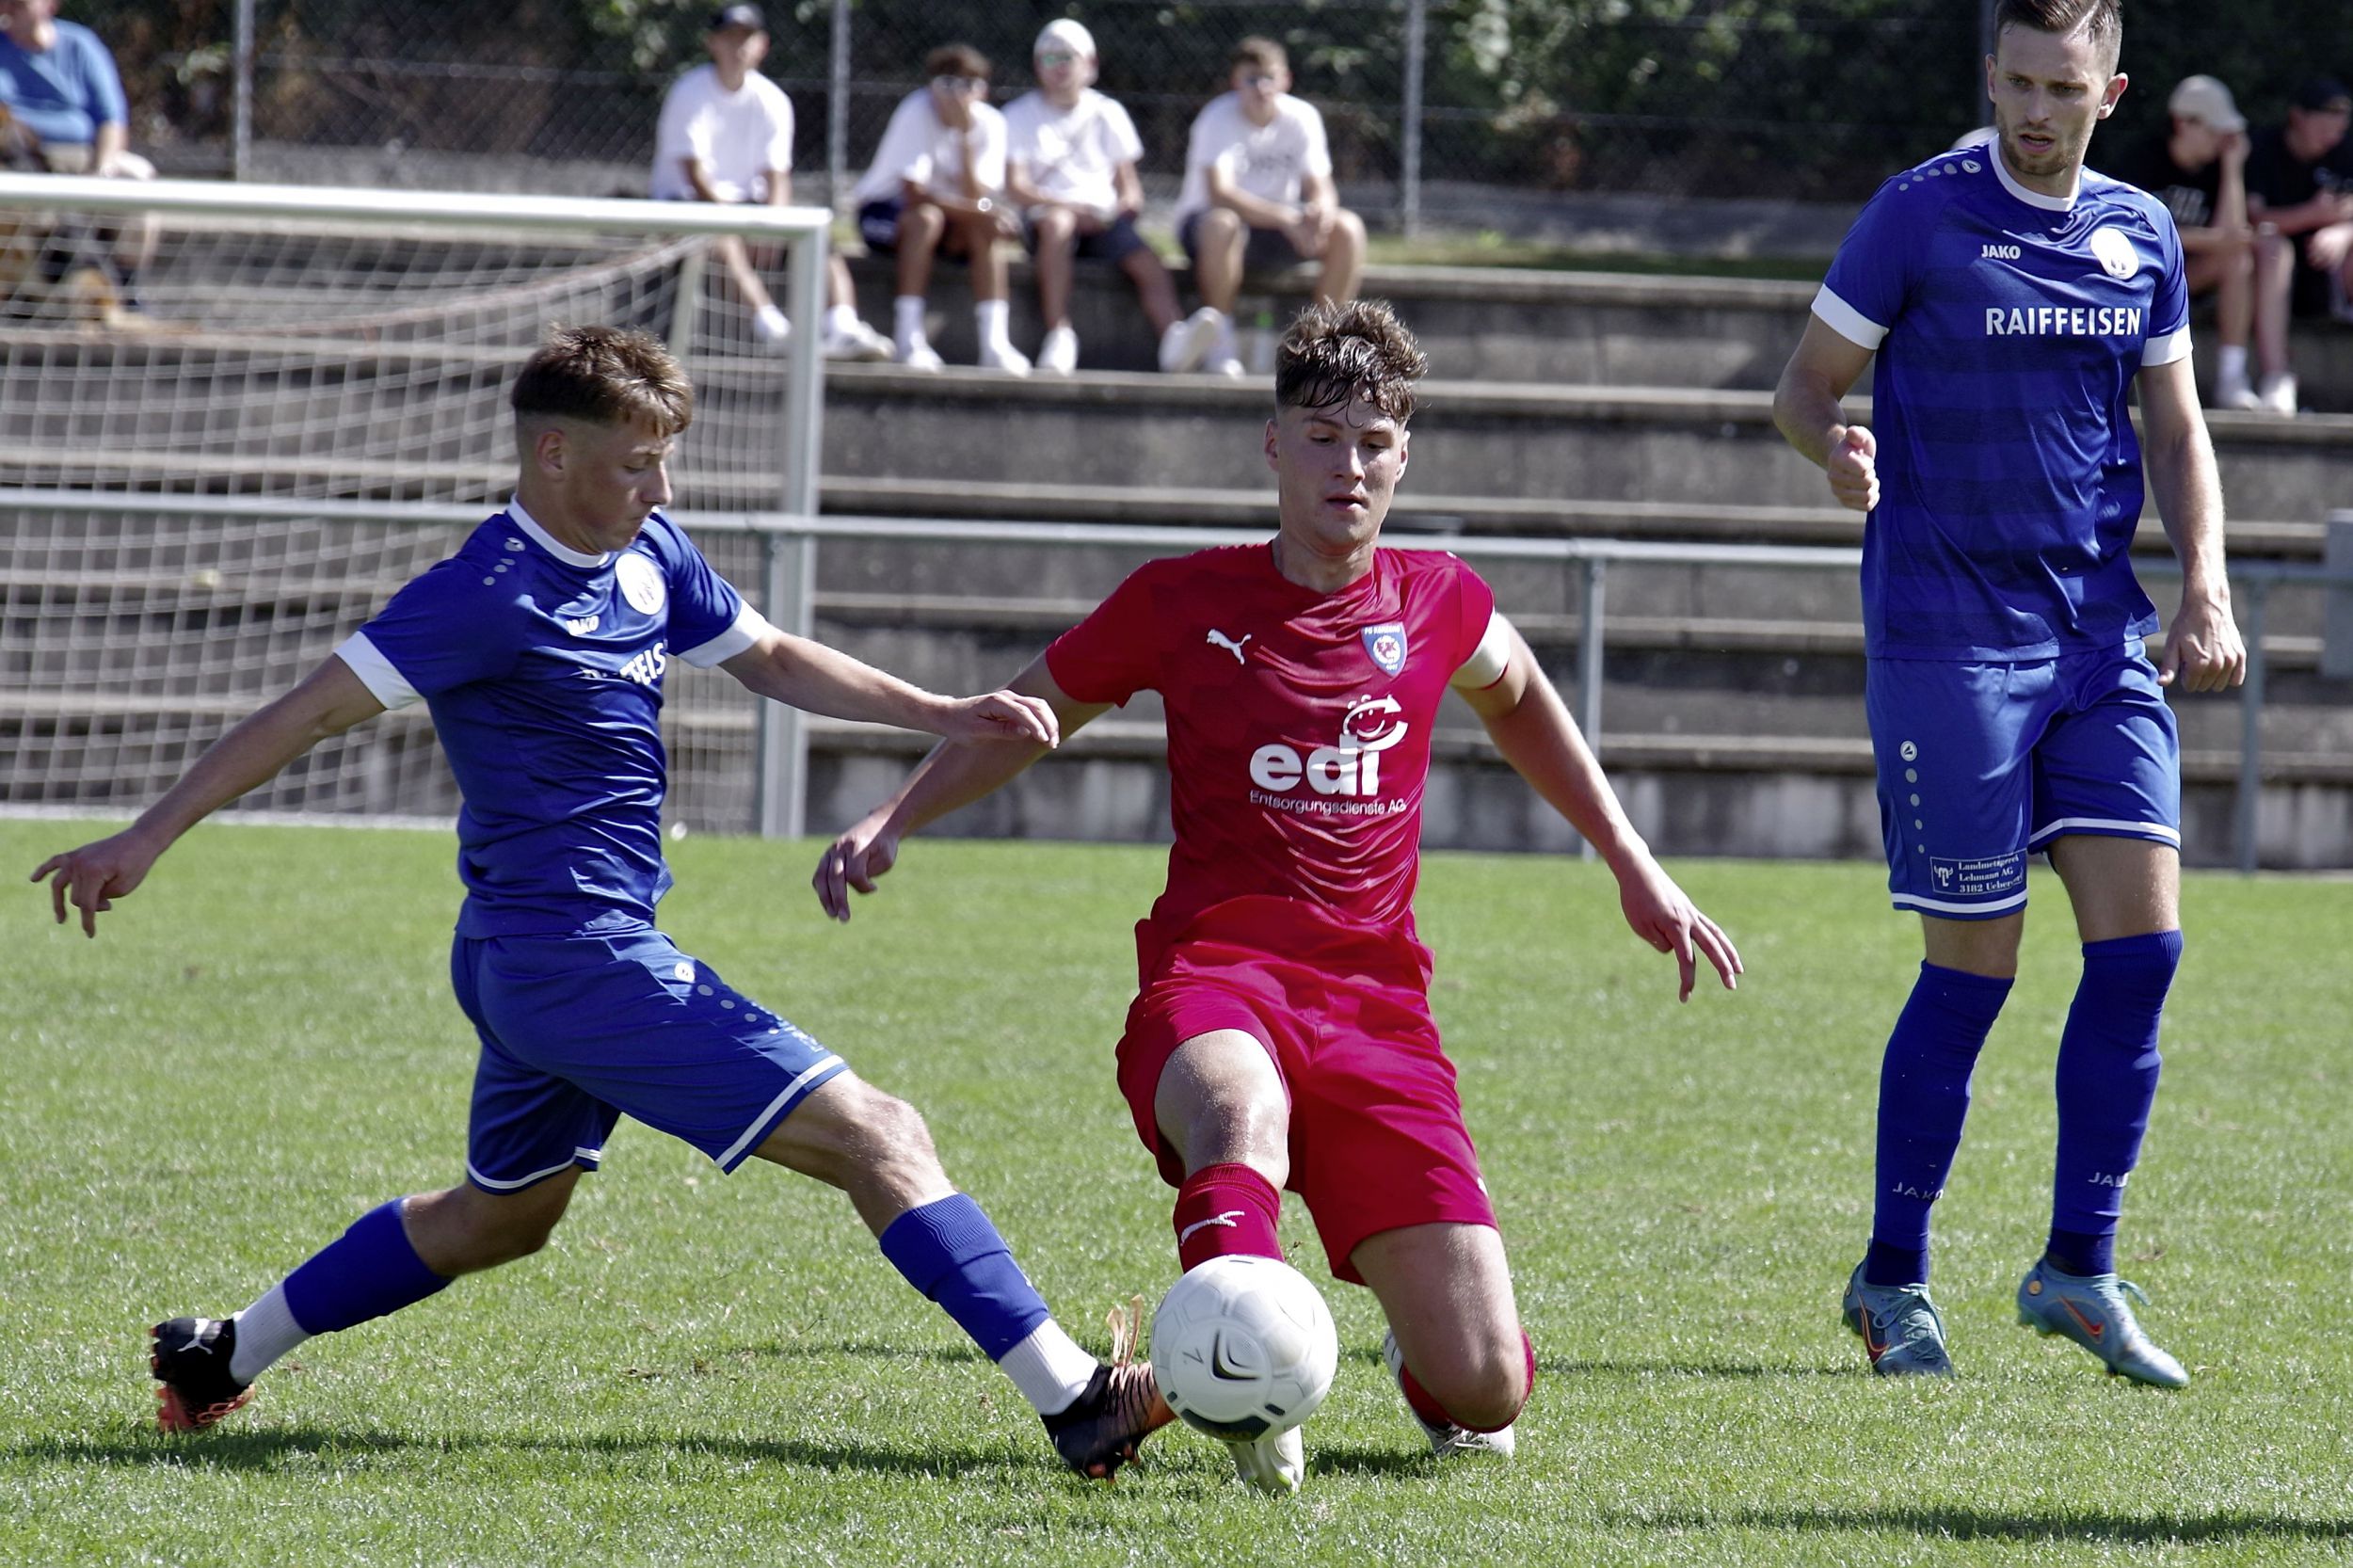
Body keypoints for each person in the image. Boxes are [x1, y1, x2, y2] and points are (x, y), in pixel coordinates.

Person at [29, 325, 1167, 1480]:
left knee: (500, 1218)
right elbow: (307, 713)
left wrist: (939, 711)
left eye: (666, 462)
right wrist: (147, 833)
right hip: (573, 958)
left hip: (549, 960)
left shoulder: (650, 555)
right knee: (882, 1133)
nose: (659, 488)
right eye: (636, 466)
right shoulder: (480, 592)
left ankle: (218, 1355)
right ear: (553, 457)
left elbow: (768, 654)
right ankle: (1075, 1397)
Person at [813, 300, 1742, 1491]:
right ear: (1270, 445)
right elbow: (1027, 715)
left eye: (1372, 441)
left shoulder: (1439, 597)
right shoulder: (1178, 600)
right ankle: (1250, 1394)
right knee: (1237, 1117)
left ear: (1404, 455)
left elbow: (1514, 697)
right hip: (1214, 979)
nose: (1346, 466)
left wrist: (1631, 860)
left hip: (1379, 1014)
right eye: (1320, 436)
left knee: (1485, 1388)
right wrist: (896, 816)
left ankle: (1409, 1353)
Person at [1772, 0, 2246, 1386]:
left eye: (2066, 87)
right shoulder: (1917, 214)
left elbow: (2175, 423)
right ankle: (1892, 1277)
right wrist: (1833, 455)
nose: (2038, 110)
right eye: (2019, 84)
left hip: (2099, 639)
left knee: (2143, 952)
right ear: (1991, 78)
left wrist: (2203, 584)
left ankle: (2077, 1268)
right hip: (1947, 641)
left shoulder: (2142, 233)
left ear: (2114, 89)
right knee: (1976, 968)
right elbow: (1800, 391)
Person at [650, 5, 890, 360]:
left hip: (746, 209)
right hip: (685, 205)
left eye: (746, 39)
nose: (738, 48)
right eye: (730, 38)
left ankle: (843, 326)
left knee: (820, 236)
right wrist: (738, 223)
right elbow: (694, 175)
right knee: (722, 235)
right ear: (711, 43)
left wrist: (772, 225)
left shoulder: (773, 100)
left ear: (762, 46)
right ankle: (772, 329)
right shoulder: (689, 92)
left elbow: (777, 176)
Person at [1000, 19, 1221, 376]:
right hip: (1047, 218)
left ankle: (1174, 338)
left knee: (1147, 261)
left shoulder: (1108, 112)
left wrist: (1126, 208)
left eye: (1067, 57)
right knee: (1058, 223)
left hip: (1101, 218)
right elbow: (1016, 187)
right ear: (1037, 65)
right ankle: (1059, 335)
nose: (1058, 67)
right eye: (1049, 58)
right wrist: (1071, 209)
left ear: (1089, 64)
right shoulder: (1016, 115)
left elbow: (1128, 183)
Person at [1172, 38, 1367, 376]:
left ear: (1285, 79)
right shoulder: (1216, 118)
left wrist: (1319, 212)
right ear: (1236, 81)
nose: (1261, 88)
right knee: (1223, 223)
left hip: (1279, 229)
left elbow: (1322, 187)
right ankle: (1220, 345)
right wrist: (1286, 218)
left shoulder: (1303, 117)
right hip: (1210, 230)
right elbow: (1220, 194)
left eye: (1269, 78)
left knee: (1348, 229)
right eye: (1251, 79)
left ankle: (1324, 346)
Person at [849, 42, 1028, 374]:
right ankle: (909, 338)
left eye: (968, 84)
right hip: (884, 213)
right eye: (947, 83)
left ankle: (994, 344)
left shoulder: (991, 124)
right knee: (927, 220)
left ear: (983, 91)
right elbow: (914, 195)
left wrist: (964, 139)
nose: (956, 95)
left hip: (951, 220)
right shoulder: (915, 111)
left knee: (984, 229)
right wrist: (984, 212)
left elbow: (981, 199)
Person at [2115, 75, 2261, 409]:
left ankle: (2232, 377)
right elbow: (2132, 234)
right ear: (2183, 123)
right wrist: (2210, 241)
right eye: (2214, 131)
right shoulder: (2142, 158)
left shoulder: (2218, 167)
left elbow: (2232, 237)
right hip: (2140, 282)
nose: (2222, 140)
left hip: (2188, 278)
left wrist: (2233, 168)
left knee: (2238, 261)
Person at [0, 0, 156, 305]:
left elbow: (111, 119)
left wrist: (102, 170)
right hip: (19, 162)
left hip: (82, 157)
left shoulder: (81, 45)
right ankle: (22, 297)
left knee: (139, 177)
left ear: (50, 5)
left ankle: (126, 293)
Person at [2244, 76, 2353, 414]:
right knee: (2274, 248)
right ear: (2298, 117)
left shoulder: (2345, 150)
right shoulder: (2262, 148)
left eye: (2339, 128)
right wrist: (2312, 215)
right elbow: (2254, 218)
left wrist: (2345, 232)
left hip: (2329, 270)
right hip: (2270, 271)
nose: (2332, 137)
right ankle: (2277, 377)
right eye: (2324, 126)